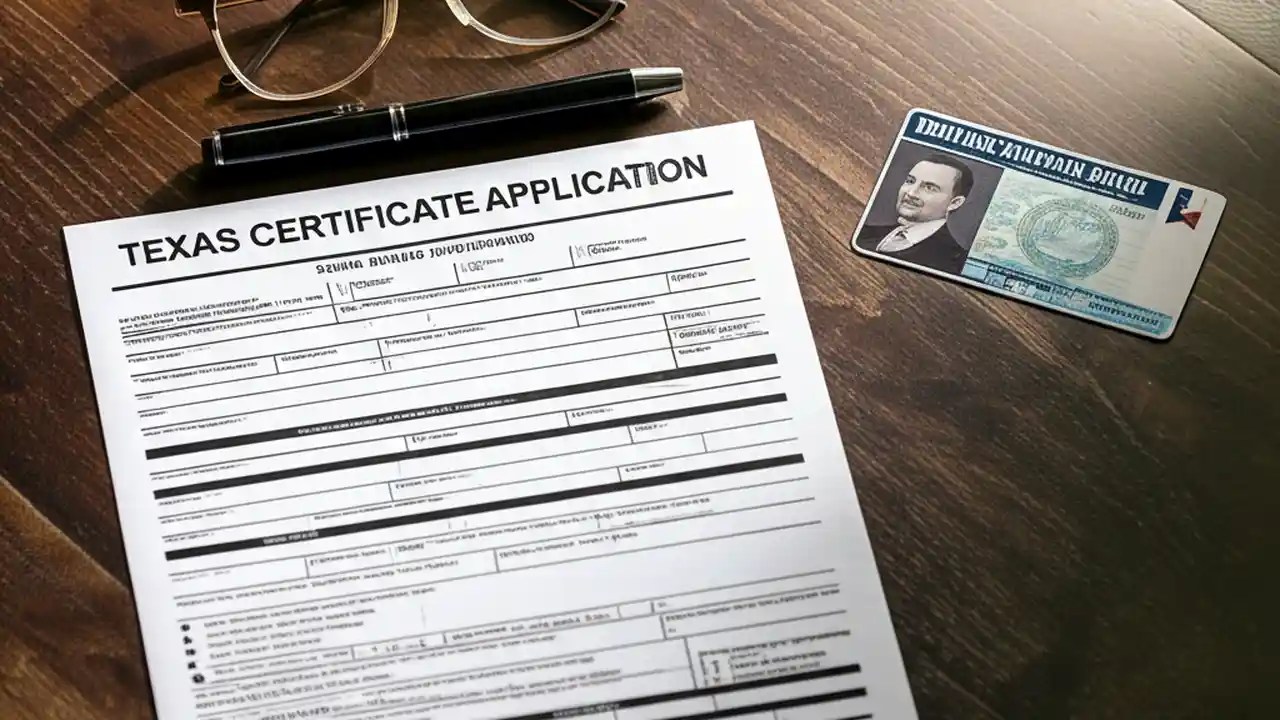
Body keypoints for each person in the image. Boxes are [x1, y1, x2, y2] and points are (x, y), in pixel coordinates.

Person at [854, 153, 975, 275]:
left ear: (954, 203)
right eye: (910, 181)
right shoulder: (865, 233)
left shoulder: (955, 263)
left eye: (929, 188)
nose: (911, 193)